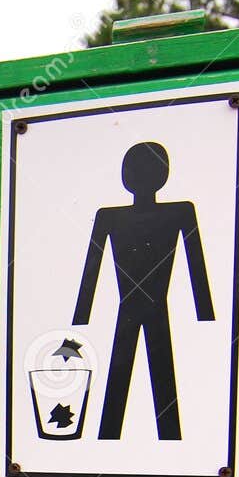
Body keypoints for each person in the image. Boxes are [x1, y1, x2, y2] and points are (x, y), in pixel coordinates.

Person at [70, 141, 214, 440]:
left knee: (160, 379)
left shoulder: (181, 211)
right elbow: (91, 268)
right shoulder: (108, 216)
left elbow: (196, 264)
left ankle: (170, 443)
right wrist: (80, 318)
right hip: (129, 304)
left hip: (155, 303)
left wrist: (206, 318)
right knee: (121, 380)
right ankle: (112, 441)